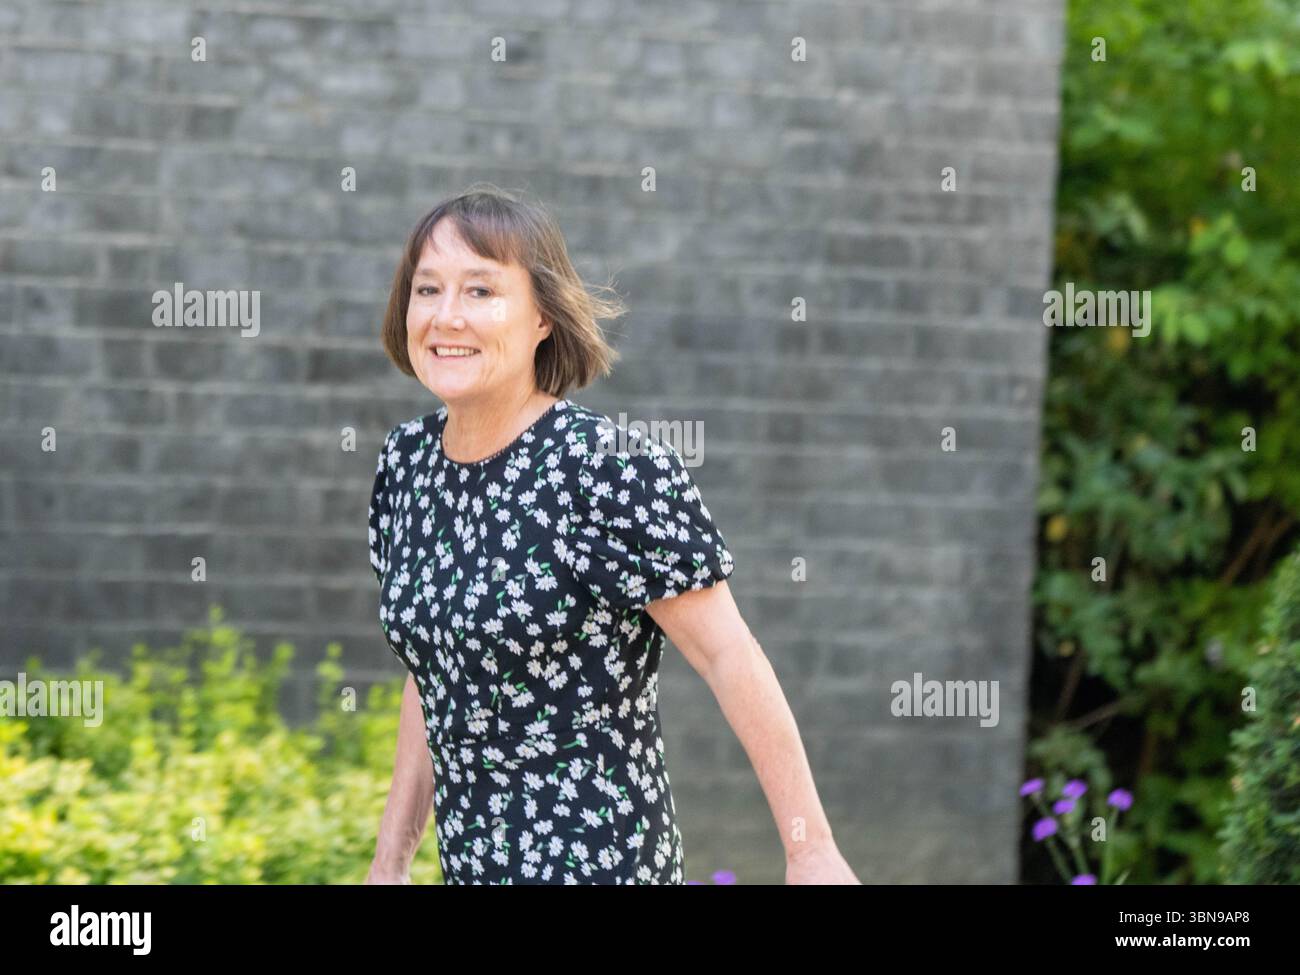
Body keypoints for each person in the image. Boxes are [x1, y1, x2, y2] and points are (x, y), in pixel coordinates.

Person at [364, 183, 858, 884]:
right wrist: (389, 863)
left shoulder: (607, 471)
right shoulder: (405, 467)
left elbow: (728, 655)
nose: (447, 316)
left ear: (543, 316)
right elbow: (435, 670)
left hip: (601, 863)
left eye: (480, 291)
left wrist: (811, 849)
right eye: (427, 289)